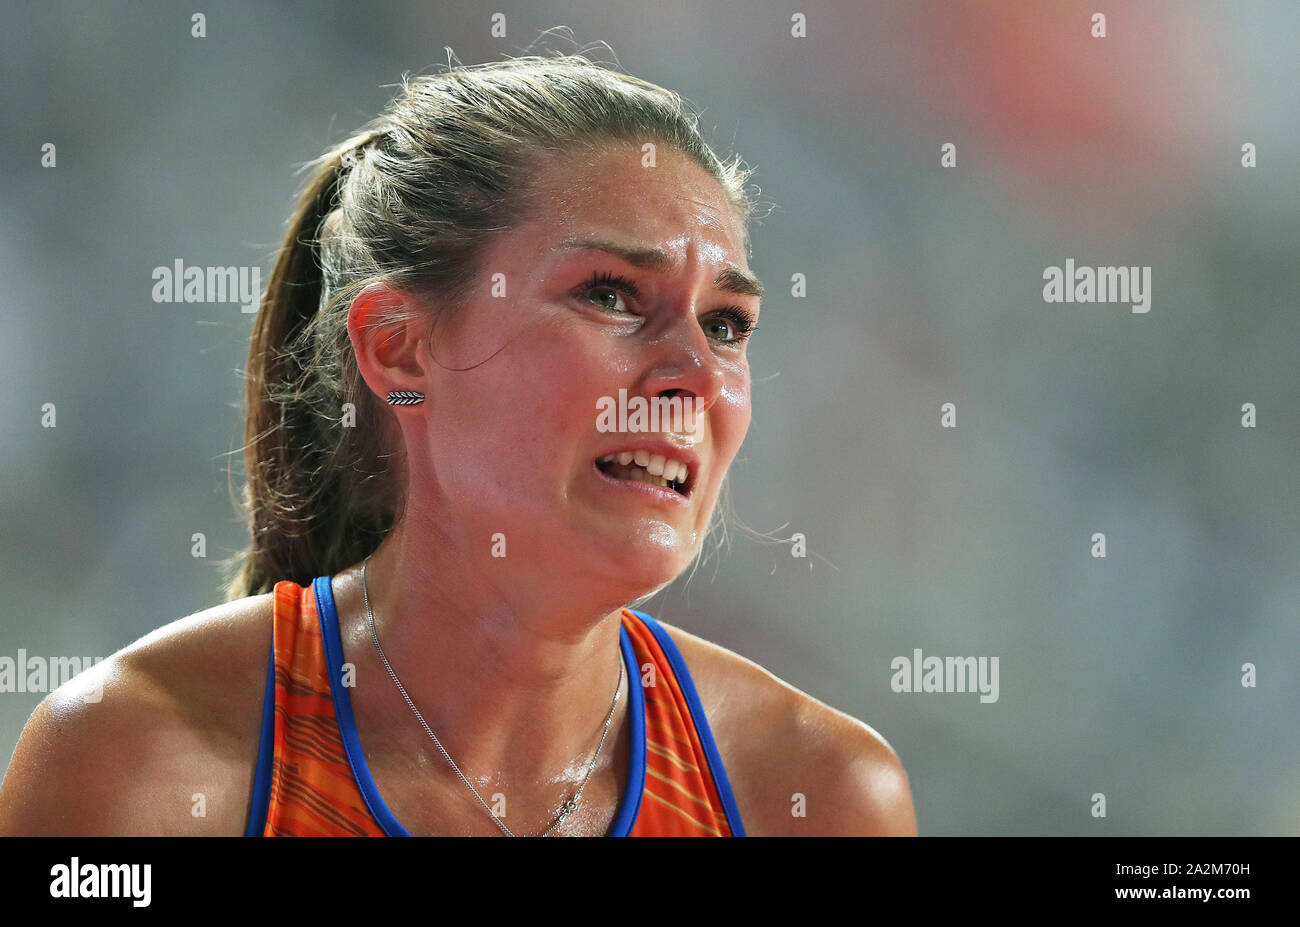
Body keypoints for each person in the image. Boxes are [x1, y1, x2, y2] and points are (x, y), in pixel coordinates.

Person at [0, 54, 916, 837]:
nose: (697, 377)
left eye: (725, 324)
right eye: (610, 295)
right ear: (401, 348)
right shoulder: (138, 768)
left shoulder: (813, 794)